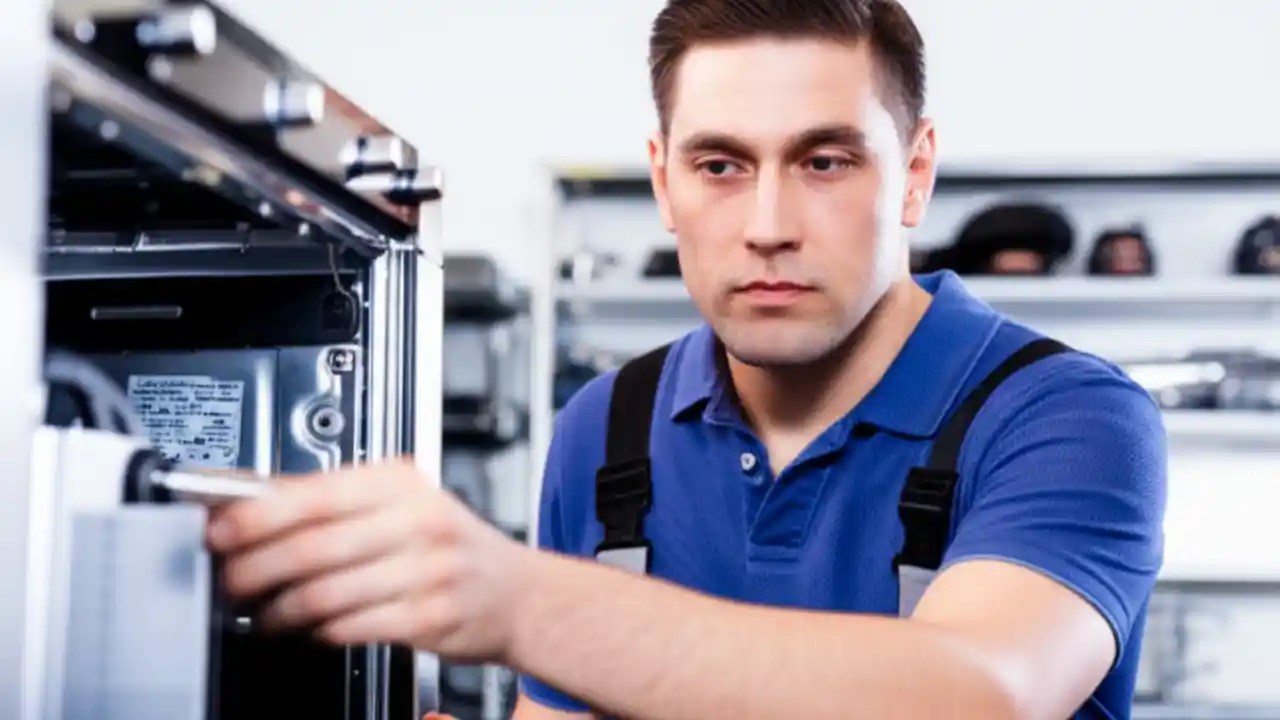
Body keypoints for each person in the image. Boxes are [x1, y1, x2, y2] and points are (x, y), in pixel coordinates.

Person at [205, 1, 1168, 718]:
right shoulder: (608, 423)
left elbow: (977, 693)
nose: (767, 227)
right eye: (721, 166)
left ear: (913, 172)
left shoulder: (1066, 418)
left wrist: (518, 599)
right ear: (665, 180)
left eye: (824, 161)